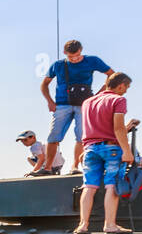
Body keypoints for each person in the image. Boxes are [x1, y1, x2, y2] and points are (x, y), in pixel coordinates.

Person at [73, 73, 138, 234]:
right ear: (121, 85)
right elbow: (117, 128)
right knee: (112, 185)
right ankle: (109, 224)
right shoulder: (118, 100)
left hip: (90, 149)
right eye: (126, 88)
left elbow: (91, 127)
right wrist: (127, 151)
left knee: (89, 187)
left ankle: (82, 225)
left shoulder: (88, 102)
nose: (125, 91)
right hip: (112, 149)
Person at [37, 39, 114, 175]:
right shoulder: (58, 65)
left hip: (84, 105)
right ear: (64, 53)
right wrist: (50, 101)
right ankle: (47, 168)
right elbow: (44, 84)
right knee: (53, 136)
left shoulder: (92, 61)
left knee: (81, 137)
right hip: (61, 105)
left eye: (77, 56)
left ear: (81, 51)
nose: (75, 59)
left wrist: (99, 93)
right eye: (71, 57)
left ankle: (75, 167)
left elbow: (111, 75)